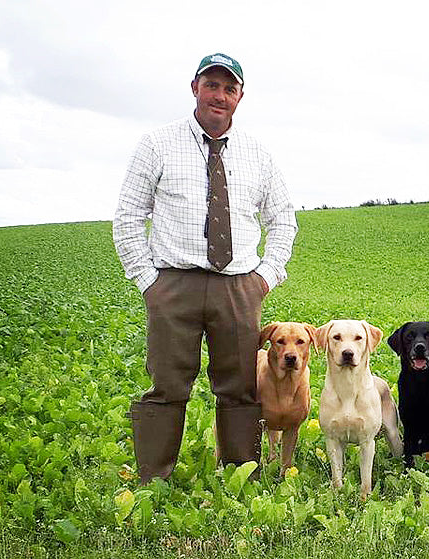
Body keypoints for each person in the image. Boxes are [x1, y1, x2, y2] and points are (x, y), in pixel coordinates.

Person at [113, 53, 297, 484]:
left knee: (239, 388)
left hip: (238, 287)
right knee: (167, 386)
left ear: (240, 97)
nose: (220, 96)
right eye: (211, 85)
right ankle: (153, 482)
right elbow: (128, 215)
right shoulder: (157, 144)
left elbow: (283, 219)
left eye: (229, 88)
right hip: (173, 283)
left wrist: (265, 277)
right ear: (195, 87)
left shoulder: (259, 155)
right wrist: (147, 280)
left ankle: (239, 477)